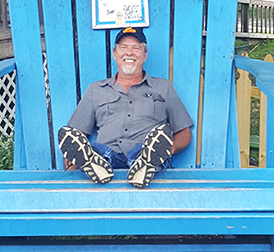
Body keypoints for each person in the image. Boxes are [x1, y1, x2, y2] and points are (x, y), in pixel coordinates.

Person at [58, 27, 193, 188]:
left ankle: (146, 162)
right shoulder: (96, 90)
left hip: (146, 151)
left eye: (136, 48)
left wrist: (167, 149)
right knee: (99, 152)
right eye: (123, 47)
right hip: (109, 156)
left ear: (144, 56)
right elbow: (75, 136)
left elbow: (184, 133)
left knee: (147, 151)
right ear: (115, 54)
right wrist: (72, 167)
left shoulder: (163, 88)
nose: (129, 52)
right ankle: (94, 163)